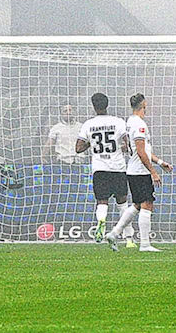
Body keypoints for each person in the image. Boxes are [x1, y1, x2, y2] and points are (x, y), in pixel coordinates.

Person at [107, 93, 171, 252]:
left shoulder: (129, 122)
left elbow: (143, 150)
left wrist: (160, 162)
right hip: (140, 171)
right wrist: (153, 172)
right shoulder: (139, 125)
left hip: (133, 170)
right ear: (144, 105)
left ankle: (114, 233)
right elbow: (141, 152)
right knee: (147, 204)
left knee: (136, 205)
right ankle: (145, 244)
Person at [76, 93, 131, 242]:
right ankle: (128, 237)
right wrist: (123, 147)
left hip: (99, 169)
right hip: (118, 168)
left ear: (93, 106)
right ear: (107, 105)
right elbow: (128, 144)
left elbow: (78, 148)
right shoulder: (118, 122)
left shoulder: (88, 124)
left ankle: (101, 222)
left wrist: (91, 143)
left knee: (102, 201)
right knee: (122, 202)